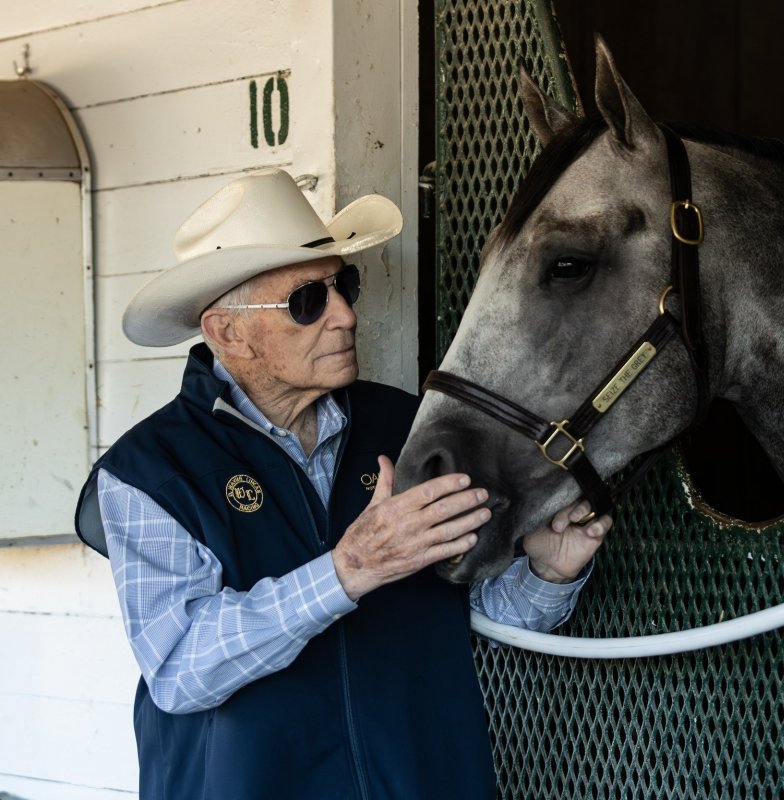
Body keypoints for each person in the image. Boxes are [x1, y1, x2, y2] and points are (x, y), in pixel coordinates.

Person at [74, 168, 612, 799]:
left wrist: (547, 572)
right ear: (228, 331)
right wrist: (348, 569)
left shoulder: (408, 427)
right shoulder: (150, 470)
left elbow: (485, 610)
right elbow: (180, 669)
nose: (346, 316)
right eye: (308, 300)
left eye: (344, 286)